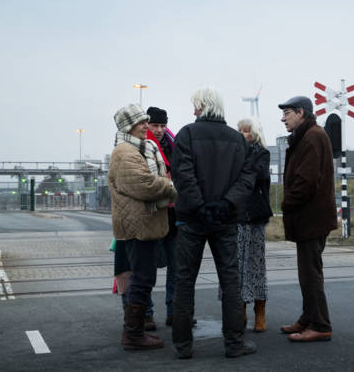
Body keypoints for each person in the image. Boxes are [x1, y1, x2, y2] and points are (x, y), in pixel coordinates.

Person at [170, 87, 257, 359]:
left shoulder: (186, 134)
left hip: (191, 220)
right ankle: (234, 343)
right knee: (230, 280)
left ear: (203, 106)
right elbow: (247, 178)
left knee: (185, 280)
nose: (193, 110)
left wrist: (200, 206)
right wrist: (225, 204)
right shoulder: (237, 139)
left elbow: (182, 175)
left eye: (195, 105)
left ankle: (183, 346)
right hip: (226, 221)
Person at [109, 103, 177, 350]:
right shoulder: (125, 152)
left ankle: (134, 331)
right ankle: (133, 334)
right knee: (142, 279)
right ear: (129, 126)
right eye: (141, 123)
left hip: (143, 223)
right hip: (137, 225)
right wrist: (170, 187)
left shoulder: (139, 148)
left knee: (144, 278)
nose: (146, 127)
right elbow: (144, 185)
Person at [278, 95, 337, 342]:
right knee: (307, 273)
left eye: (287, 113)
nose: (283, 118)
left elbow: (306, 181)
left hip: (311, 218)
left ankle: (320, 325)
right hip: (309, 218)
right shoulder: (308, 135)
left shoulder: (313, 137)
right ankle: (308, 318)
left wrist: (286, 203)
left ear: (300, 113)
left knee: (310, 274)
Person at [145, 106, 196, 328]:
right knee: (146, 269)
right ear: (146, 124)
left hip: (174, 214)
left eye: (162, 125)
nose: (159, 130)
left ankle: (174, 312)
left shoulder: (174, 143)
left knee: (176, 266)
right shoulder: (141, 145)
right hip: (152, 214)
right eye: (155, 125)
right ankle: (145, 314)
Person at [221, 118, 272, 332]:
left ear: (255, 133)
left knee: (255, 263)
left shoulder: (261, 153)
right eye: (239, 130)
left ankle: (259, 311)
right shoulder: (233, 153)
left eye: (246, 131)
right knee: (236, 264)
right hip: (236, 215)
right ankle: (239, 308)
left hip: (255, 215)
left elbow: (259, 176)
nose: (241, 134)